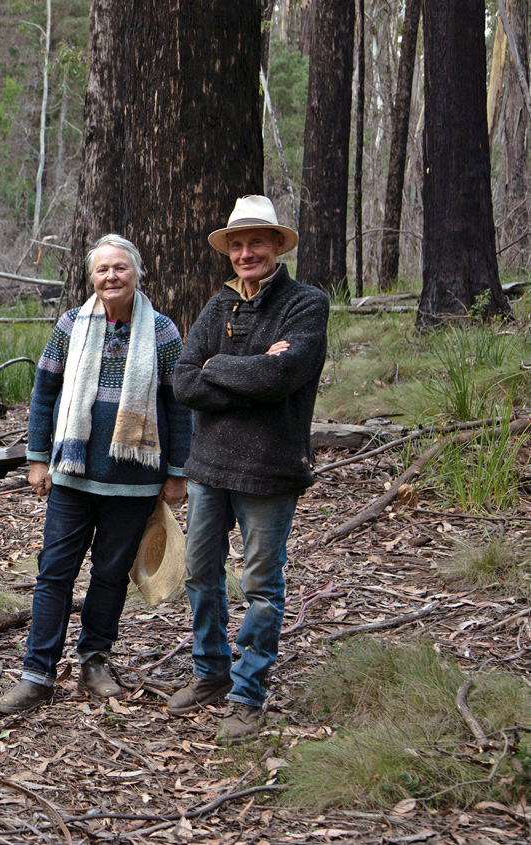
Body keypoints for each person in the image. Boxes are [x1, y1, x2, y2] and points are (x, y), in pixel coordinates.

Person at [0, 234, 192, 714]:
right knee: (55, 572)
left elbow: (179, 405)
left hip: (134, 479)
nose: (111, 277)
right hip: (72, 474)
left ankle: (94, 661)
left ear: (137, 274)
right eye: (102, 269)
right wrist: (37, 457)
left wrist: (177, 473)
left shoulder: (162, 331)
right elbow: (44, 392)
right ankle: (36, 673)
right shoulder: (71, 325)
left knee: (109, 574)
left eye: (120, 268)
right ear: (92, 277)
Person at [166, 195, 329, 740]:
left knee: (261, 584)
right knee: (199, 574)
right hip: (207, 466)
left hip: (270, 467)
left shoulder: (306, 304)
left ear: (278, 245)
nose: (245, 252)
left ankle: (248, 691)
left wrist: (221, 367)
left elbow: (280, 379)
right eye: (236, 244)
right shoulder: (217, 308)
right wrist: (247, 367)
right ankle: (210, 673)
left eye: (256, 241)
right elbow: (184, 381)